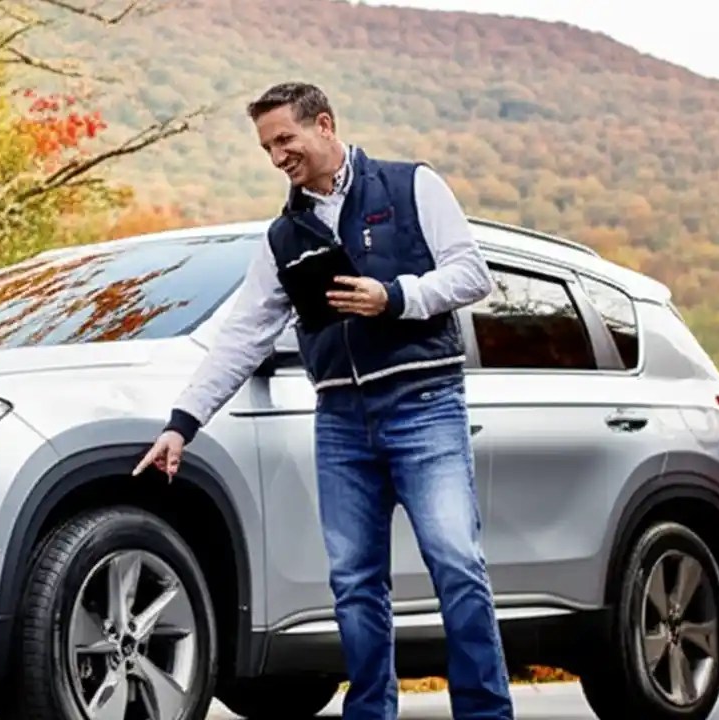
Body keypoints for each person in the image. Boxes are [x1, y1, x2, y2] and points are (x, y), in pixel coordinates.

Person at [133, 82, 515, 720]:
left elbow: (472, 273)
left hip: (425, 403)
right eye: (266, 146)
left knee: (456, 562)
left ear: (325, 125)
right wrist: (182, 425)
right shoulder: (284, 236)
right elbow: (242, 335)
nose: (277, 155)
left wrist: (393, 296)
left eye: (285, 139)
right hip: (339, 419)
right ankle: (369, 711)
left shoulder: (412, 186)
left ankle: (484, 712)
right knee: (354, 583)